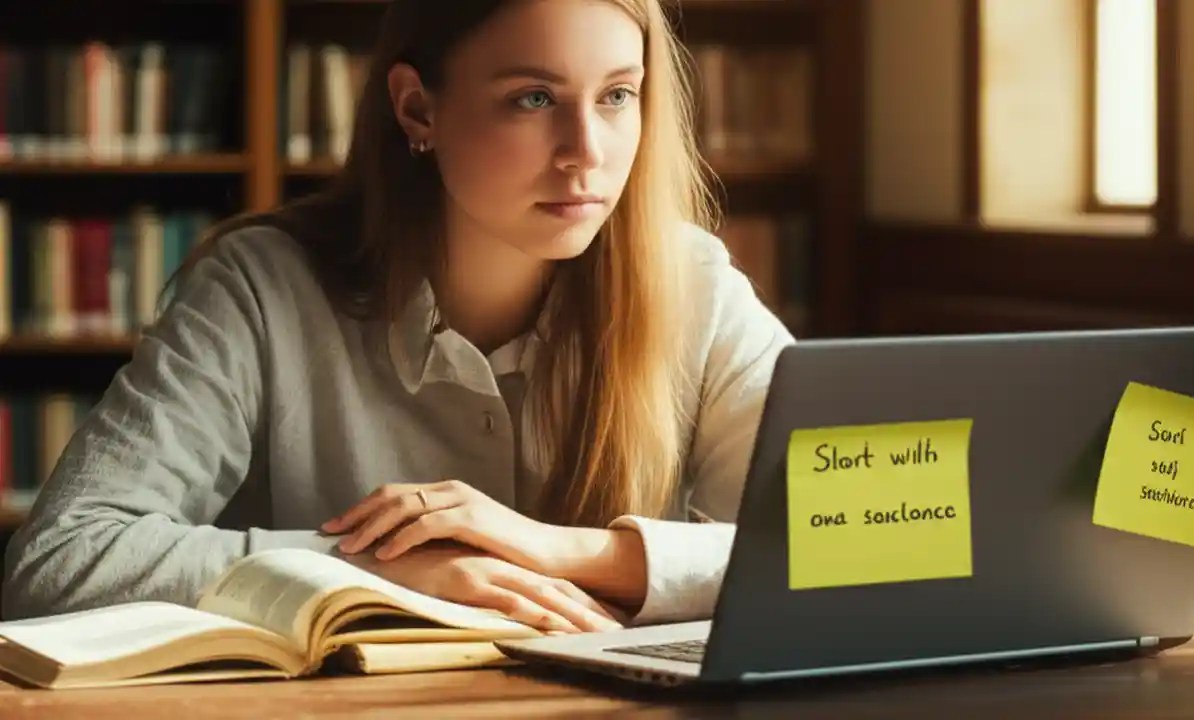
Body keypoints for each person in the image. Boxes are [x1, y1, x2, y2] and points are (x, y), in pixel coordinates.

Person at [2, 0, 792, 633]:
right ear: (417, 109)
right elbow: (59, 564)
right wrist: (373, 565)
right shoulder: (261, 288)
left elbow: (865, 537)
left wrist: (562, 550)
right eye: (535, 98)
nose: (586, 150)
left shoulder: (694, 285)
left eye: (618, 95)